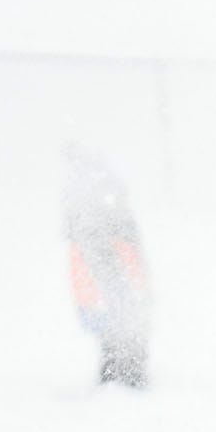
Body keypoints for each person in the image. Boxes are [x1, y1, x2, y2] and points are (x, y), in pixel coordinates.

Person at [62, 142, 150, 388]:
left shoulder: (91, 194)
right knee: (119, 327)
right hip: (109, 264)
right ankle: (124, 375)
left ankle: (124, 374)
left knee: (120, 327)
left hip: (110, 261)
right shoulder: (92, 194)